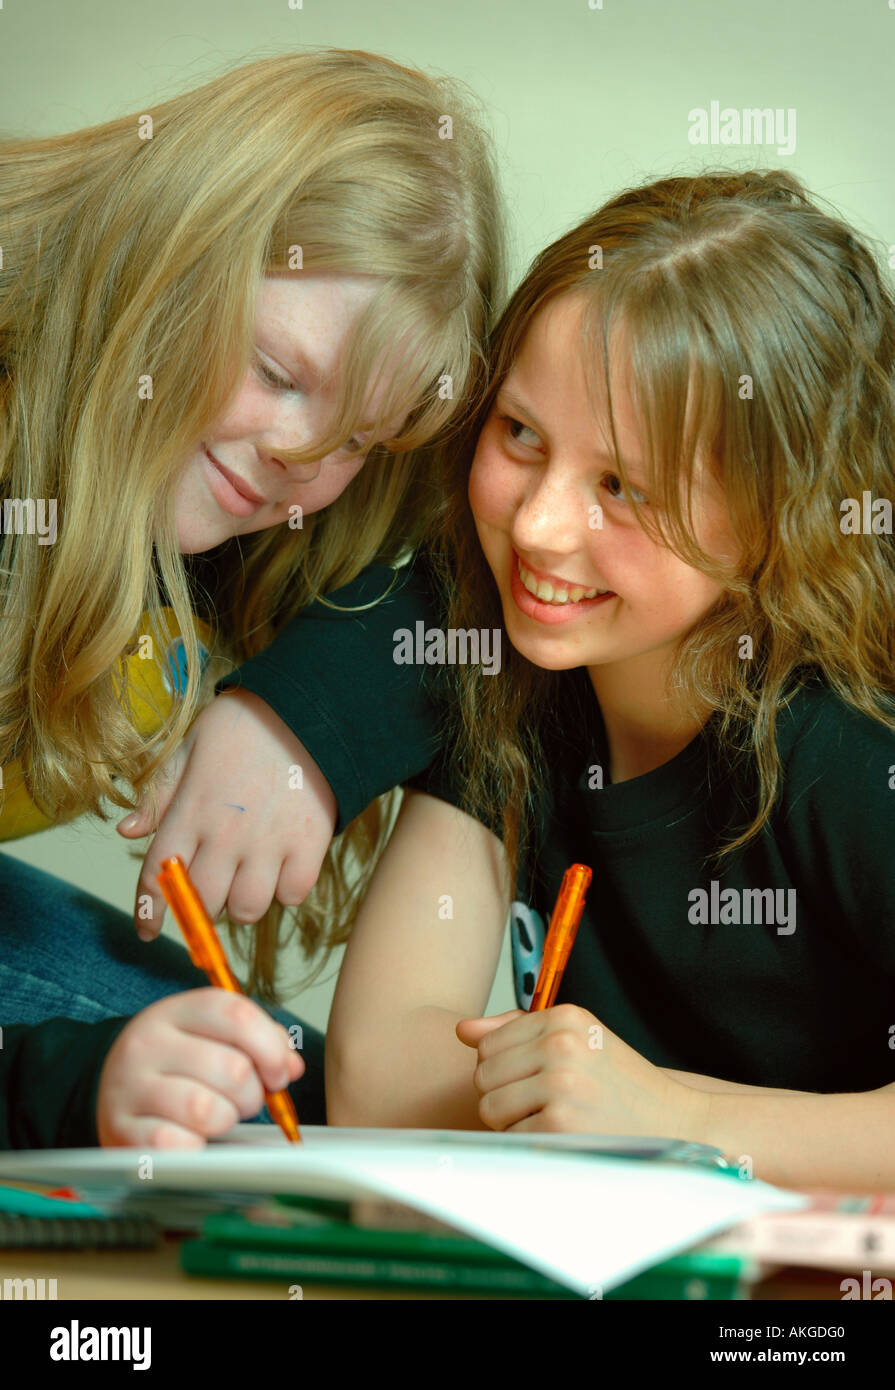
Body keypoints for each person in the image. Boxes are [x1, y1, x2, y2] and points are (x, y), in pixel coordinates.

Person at [326, 169, 895, 1192]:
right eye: (519, 437)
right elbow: (373, 1076)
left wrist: (671, 1115)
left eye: (621, 488)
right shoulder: (514, 674)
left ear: (782, 511)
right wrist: (574, 1091)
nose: (538, 526)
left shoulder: (852, 750)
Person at [0, 48, 506, 1146]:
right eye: (278, 373)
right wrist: (59, 1085)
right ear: (171, 254)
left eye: (358, 441)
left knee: (296, 1103)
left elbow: (481, 578)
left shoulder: (254, 500)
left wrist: (299, 722)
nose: (295, 455)